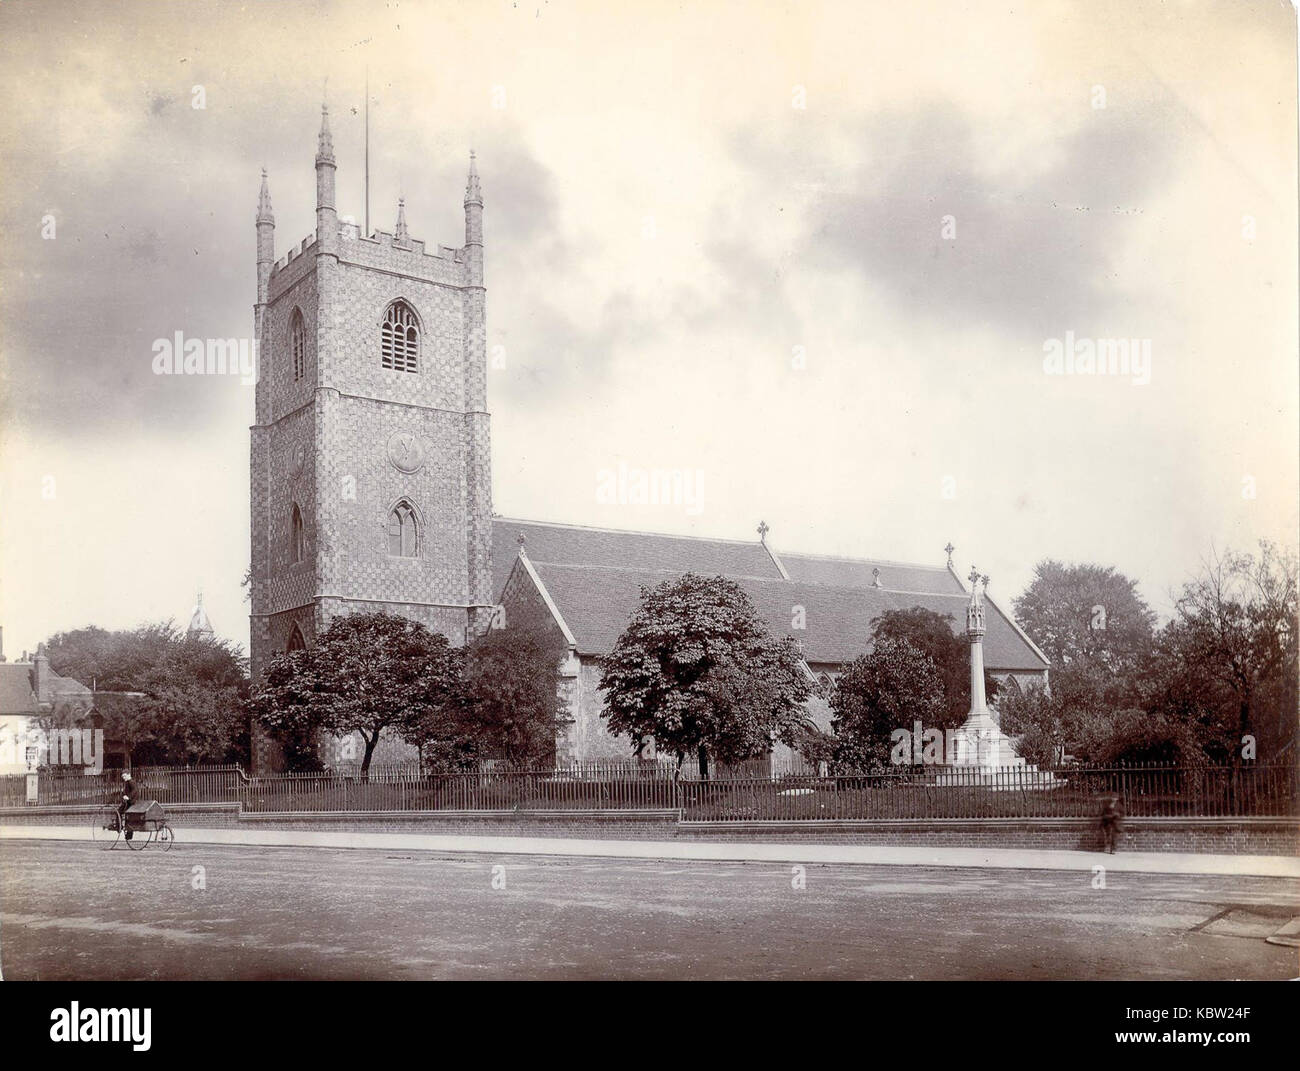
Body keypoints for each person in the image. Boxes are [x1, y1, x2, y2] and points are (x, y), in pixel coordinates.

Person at [118, 770, 136, 842]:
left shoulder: (131, 782)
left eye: (124, 776)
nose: (123, 778)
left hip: (130, 802)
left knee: (119, 812)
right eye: (123, 777)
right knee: (127, 817)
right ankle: (126, 832)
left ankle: (119, 827)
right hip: (129, 802)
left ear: (129, 775)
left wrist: (128, 797)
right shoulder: (127, 782)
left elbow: (135, 790)